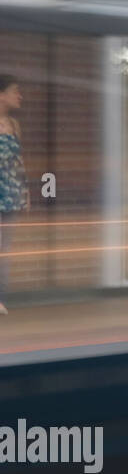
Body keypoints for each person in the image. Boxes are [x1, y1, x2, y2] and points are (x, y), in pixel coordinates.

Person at [0, 75, 29, 315]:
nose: (19, 96)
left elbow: (19, 161)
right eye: (15, 91)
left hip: (9, 195)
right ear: (1, 95)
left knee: (4, 249)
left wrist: (25, 189)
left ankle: (0, 297)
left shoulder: (14, 125)